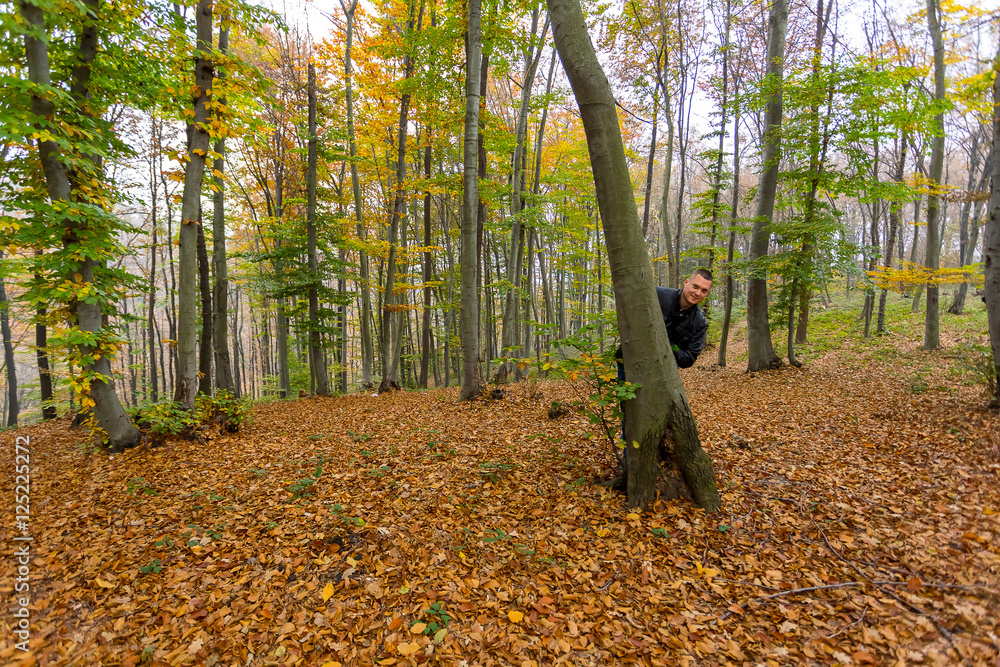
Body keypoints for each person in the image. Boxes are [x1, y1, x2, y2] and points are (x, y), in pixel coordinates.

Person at [615, 268, 713, 379]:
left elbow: (689, 358)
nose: (698, 293)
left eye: (704, 291)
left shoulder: (699, 322)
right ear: (686, 283)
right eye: (695, 287)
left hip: (663, 375)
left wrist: (667, 346)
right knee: (627, 396)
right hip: (629, 364)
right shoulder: (656, 295)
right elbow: (628, 315)